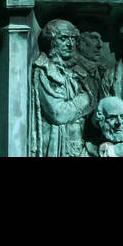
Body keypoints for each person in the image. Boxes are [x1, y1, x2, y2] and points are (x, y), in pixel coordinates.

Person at [30, 19, 92, 158]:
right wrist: (84, 100)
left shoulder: (77, 72)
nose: (70, 44)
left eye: (73, 39)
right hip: (57, 146)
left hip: (78, 143)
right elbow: (58, 113)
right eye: (63, 38)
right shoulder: (45, 71)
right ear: (52, 41)